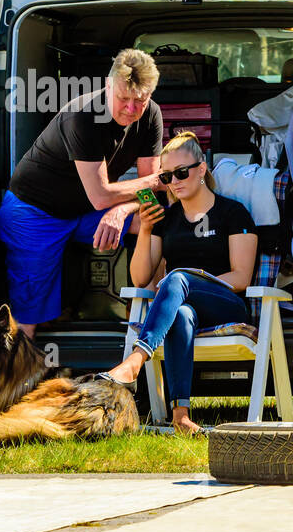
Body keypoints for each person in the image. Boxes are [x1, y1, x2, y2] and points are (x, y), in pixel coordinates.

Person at [0, 48, 165, 339]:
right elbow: (117, 191)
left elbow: (150, 192)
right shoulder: (83, 115)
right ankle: (19, 380)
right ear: (108, 86)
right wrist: (147, 186)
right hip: (34, 212)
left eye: (140, 100)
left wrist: (123, 210)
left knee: (153, 220)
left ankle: (150, 319)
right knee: (28, 317)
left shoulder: (151, 115)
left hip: (85, 210)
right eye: (124, 98)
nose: (131, 108)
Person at [101, 131, 257, 435]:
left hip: (226, 304)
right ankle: (181, 415)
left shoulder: (232, 213)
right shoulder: (167, 219)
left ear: (201, 170)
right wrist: (145, 229)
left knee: (178, 277)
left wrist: (188, 280)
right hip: (185, 306)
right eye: (167, 176)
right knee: (181, 315)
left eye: (182, 172)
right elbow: (140, 278)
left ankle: (136, 358)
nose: (175, 181)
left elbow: (241, 277)